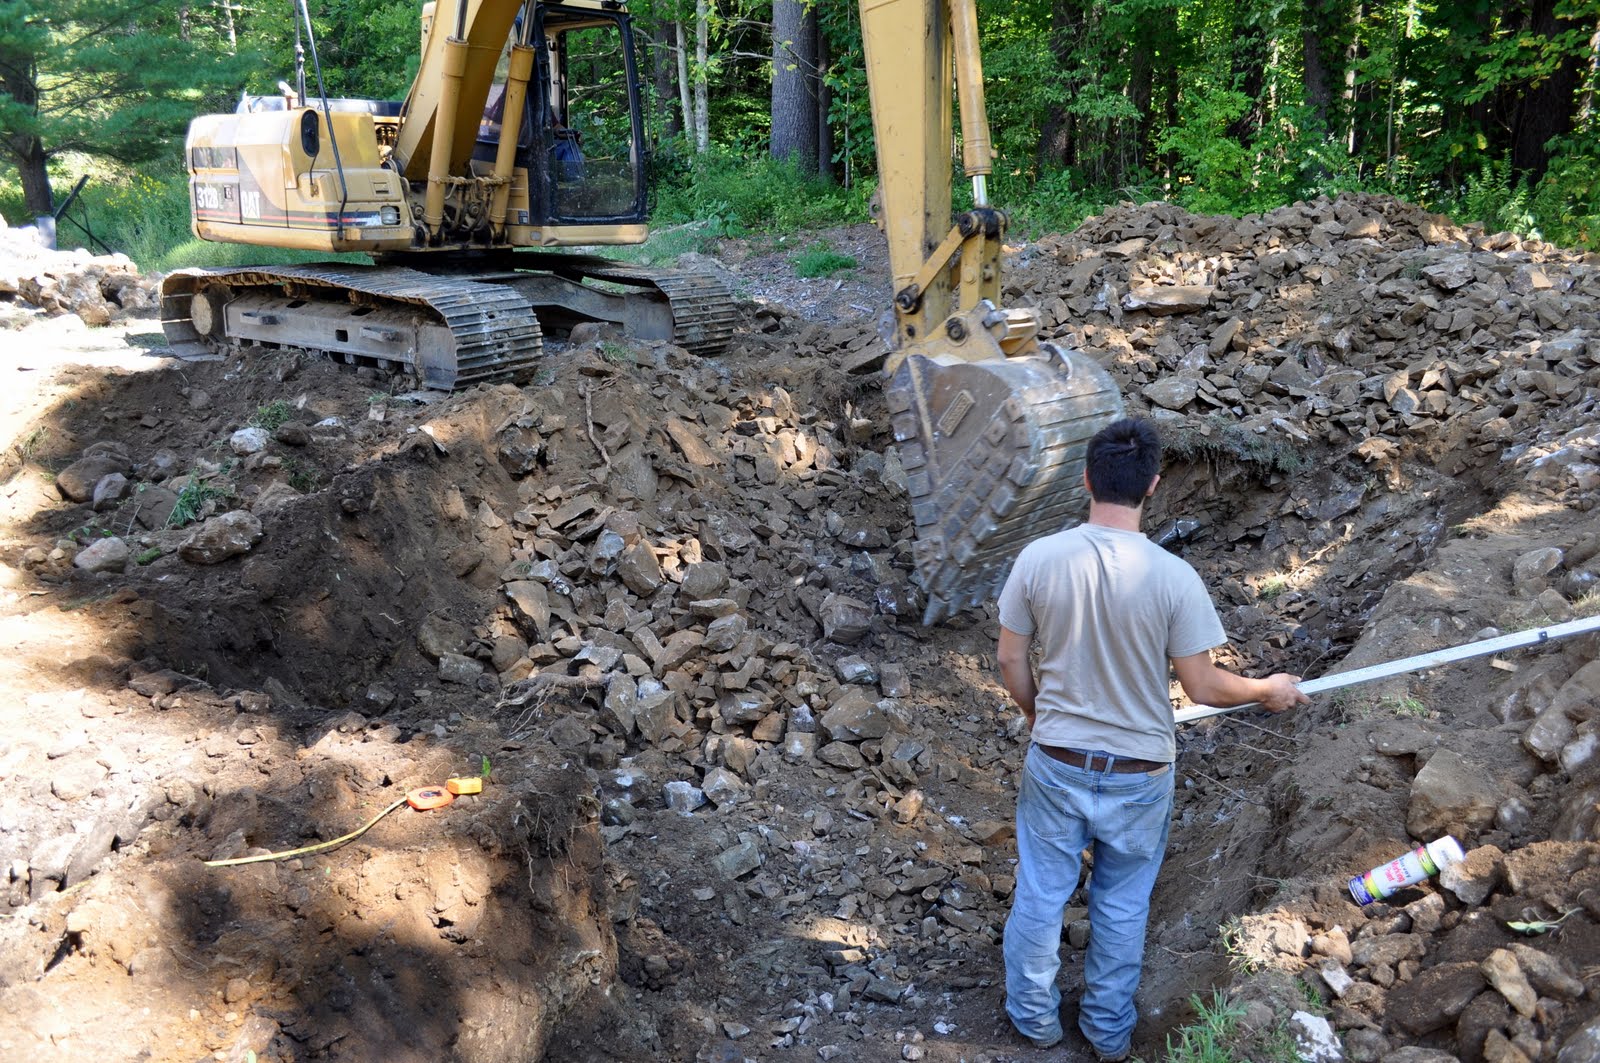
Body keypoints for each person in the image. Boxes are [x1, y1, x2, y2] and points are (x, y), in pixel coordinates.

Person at [994, 416, 1308, 1062]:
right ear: (1154, 486)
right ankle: (1108, 1031)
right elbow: (1202, 688)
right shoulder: (1173, 577)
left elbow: (1009, 660)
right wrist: (1266, 688)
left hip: (1057, 759)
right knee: (1121, 902)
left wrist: (1035, 712)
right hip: (1141, 771)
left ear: (1086, 479)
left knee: (1042, 892)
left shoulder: (1038, 559)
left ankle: (1033, 1019)